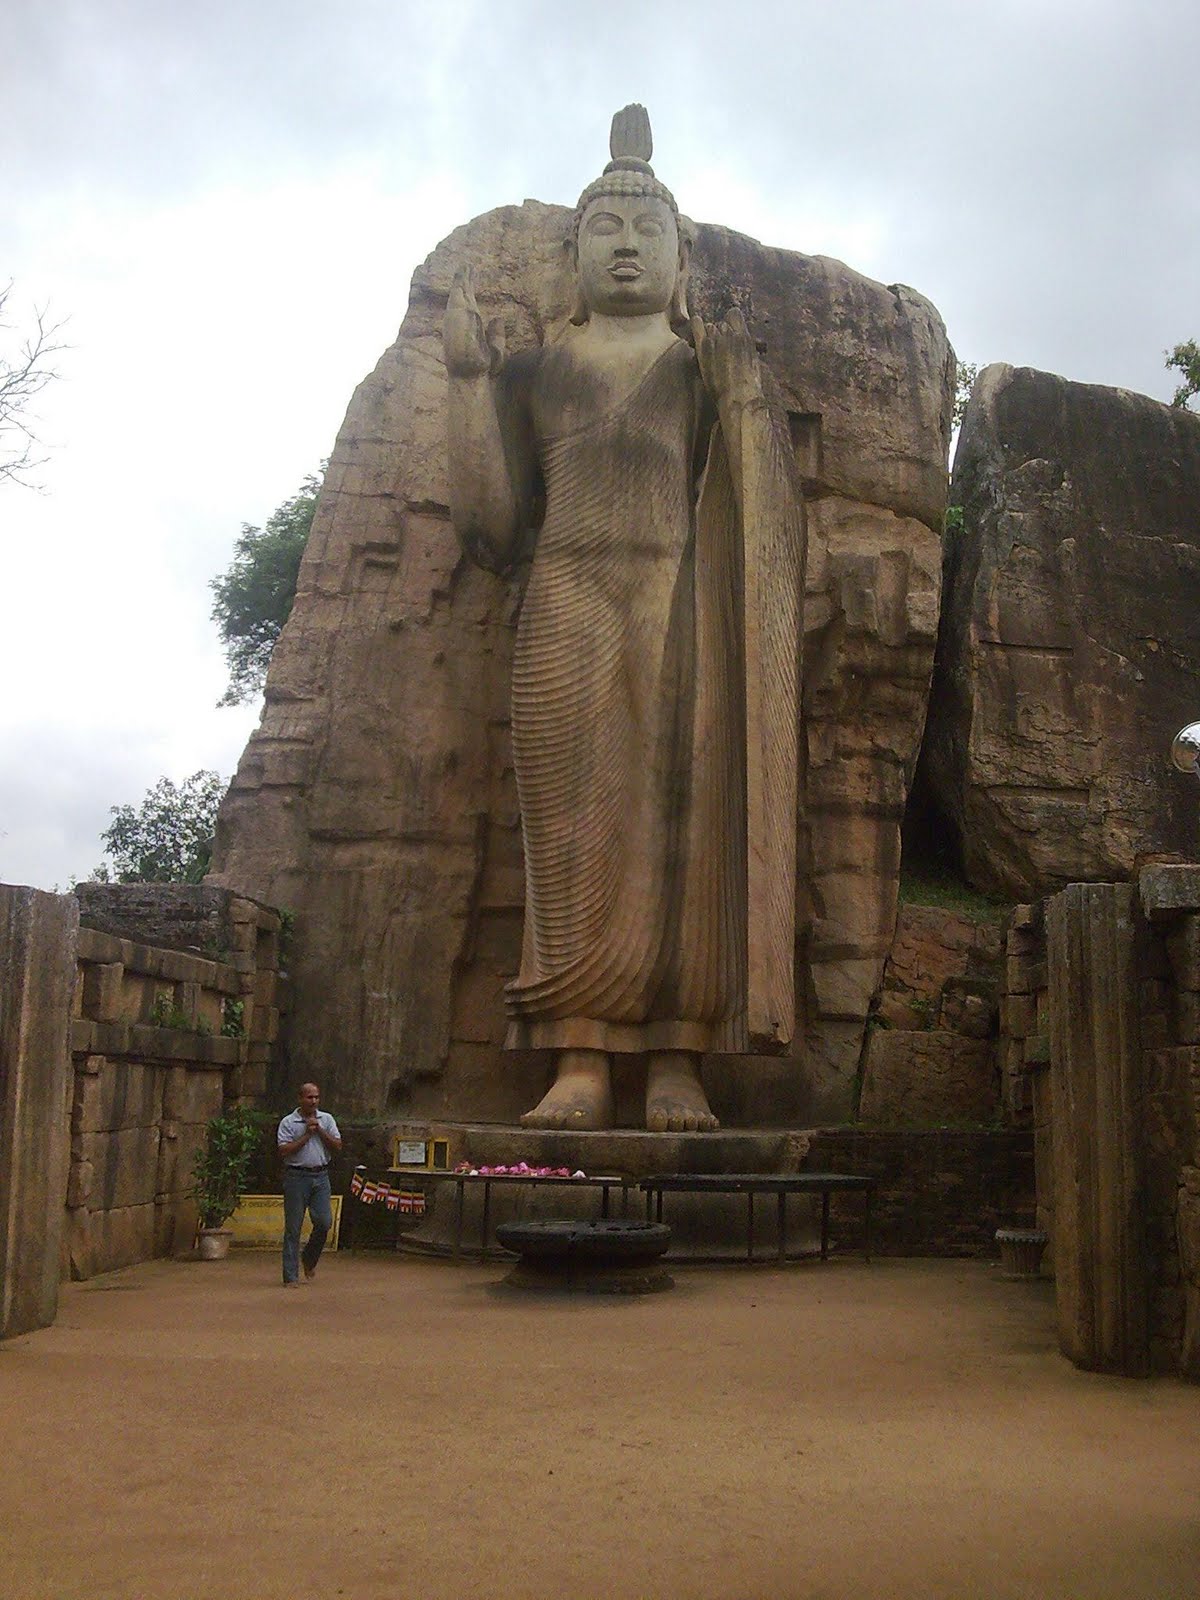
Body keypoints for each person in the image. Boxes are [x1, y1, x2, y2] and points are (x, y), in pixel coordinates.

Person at [444, 105, 803, 1134]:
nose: (630, 248)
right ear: (574, 252)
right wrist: (472, 387)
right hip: (565, 599)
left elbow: (760, 512)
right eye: (608, 230)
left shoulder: (704, 369)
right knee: (571, 835)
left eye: (650, 232)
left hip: (679, 607)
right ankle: (581, 1057)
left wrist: (744, 403)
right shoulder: (536, 370)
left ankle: (678, 1058)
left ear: (682, 255)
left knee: (683, 830)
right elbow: (492, 525)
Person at [277, 1081, 342, 1286]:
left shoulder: (327, 1119)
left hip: (321, 1176)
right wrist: (306, 1134)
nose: (313, 1101)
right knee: (293, 1228)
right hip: (296, 1177)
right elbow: (284, 1151)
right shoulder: (288, 1122)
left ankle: (309, 1258)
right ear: (300, 1098)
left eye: (316, 1097)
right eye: (309, 1097)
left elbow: (338, 1146)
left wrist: (319, 1130)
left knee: (324, 1222)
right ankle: (290, 1276)